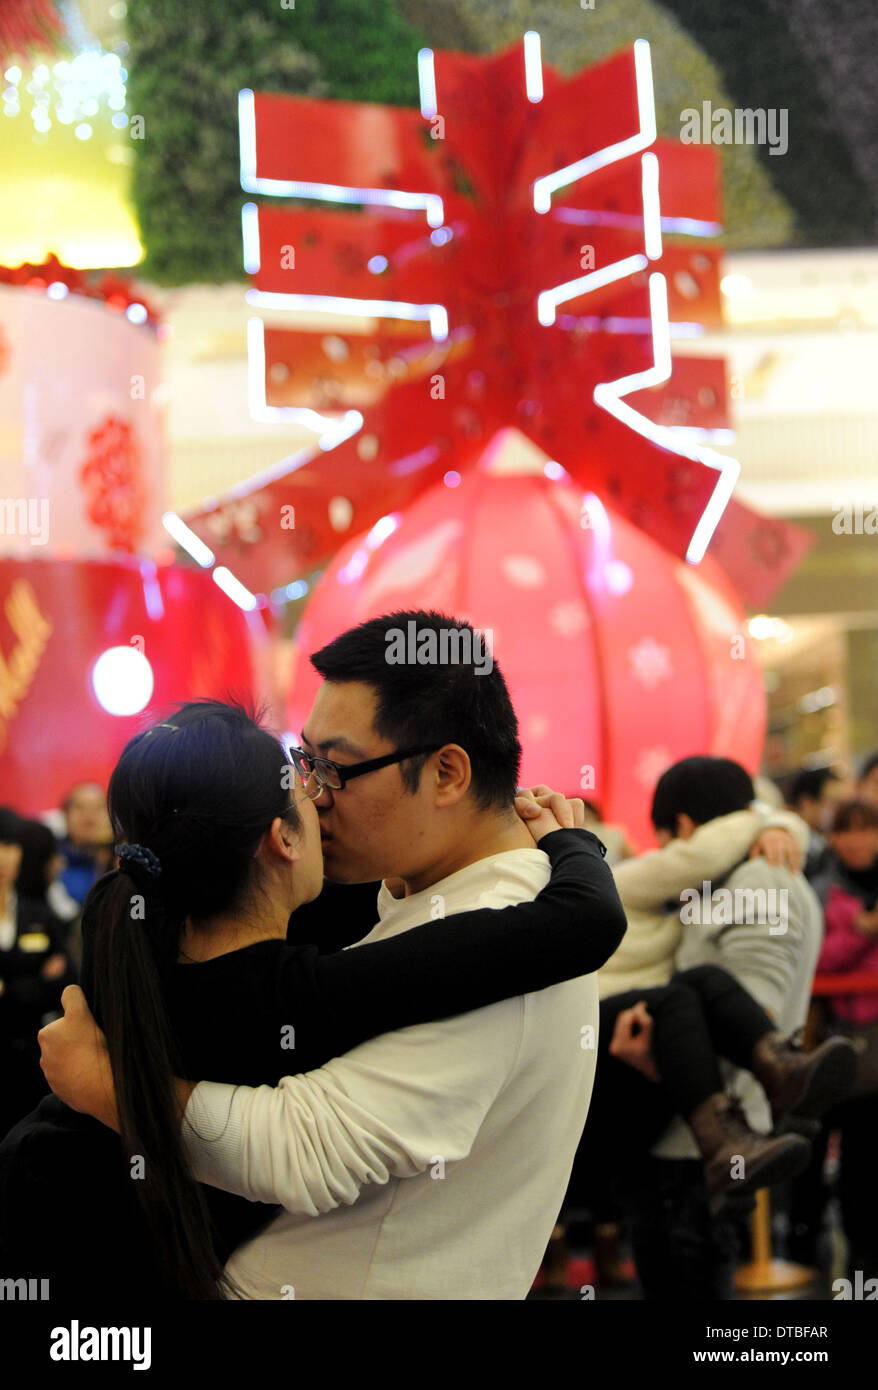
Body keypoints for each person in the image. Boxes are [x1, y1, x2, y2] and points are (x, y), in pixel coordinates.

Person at [14, 618, 625, 1300]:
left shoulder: (497, 921)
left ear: (448, 772)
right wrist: (579, 852)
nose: (318, 794)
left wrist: (107, 1084)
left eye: (335, 766)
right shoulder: (394, 905)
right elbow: (584, 920)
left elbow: (304, 1149)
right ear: (276, 843)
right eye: (305, 766)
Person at [599, 756, 826, 1299]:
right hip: (700, 1137)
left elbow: (754, 1014)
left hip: (697, 1145)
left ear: (681, 827)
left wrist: (656, 1038)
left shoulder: (757, 881)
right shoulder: (748, 875)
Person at [804, 799, 878, 1277]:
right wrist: (863, 931)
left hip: (874, 1039)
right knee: (812, 1145)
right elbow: (812, 955)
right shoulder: (816, 888)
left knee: (866, 1156)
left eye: (865, 829)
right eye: (844, 830)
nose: (855, 840)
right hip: (825, 1036)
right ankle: (808, 1247)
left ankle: (864, 1252)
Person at [0, 808, 75, 1139]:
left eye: (10, 845)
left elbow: (68, 979)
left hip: (32, 1062)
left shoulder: (39, 913)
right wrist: (38, 980)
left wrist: (11, 990)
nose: (3, 857)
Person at [55, 782, 114, 909]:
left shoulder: (121, 858)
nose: (89, 815)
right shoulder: (53, 858)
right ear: (65, 815)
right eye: (80, 807)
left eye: (98, 808)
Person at [787, 766, 850, 881]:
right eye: (833, 802)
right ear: (806, 803)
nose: (840, 810)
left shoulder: (824, 843)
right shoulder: (790, 846)